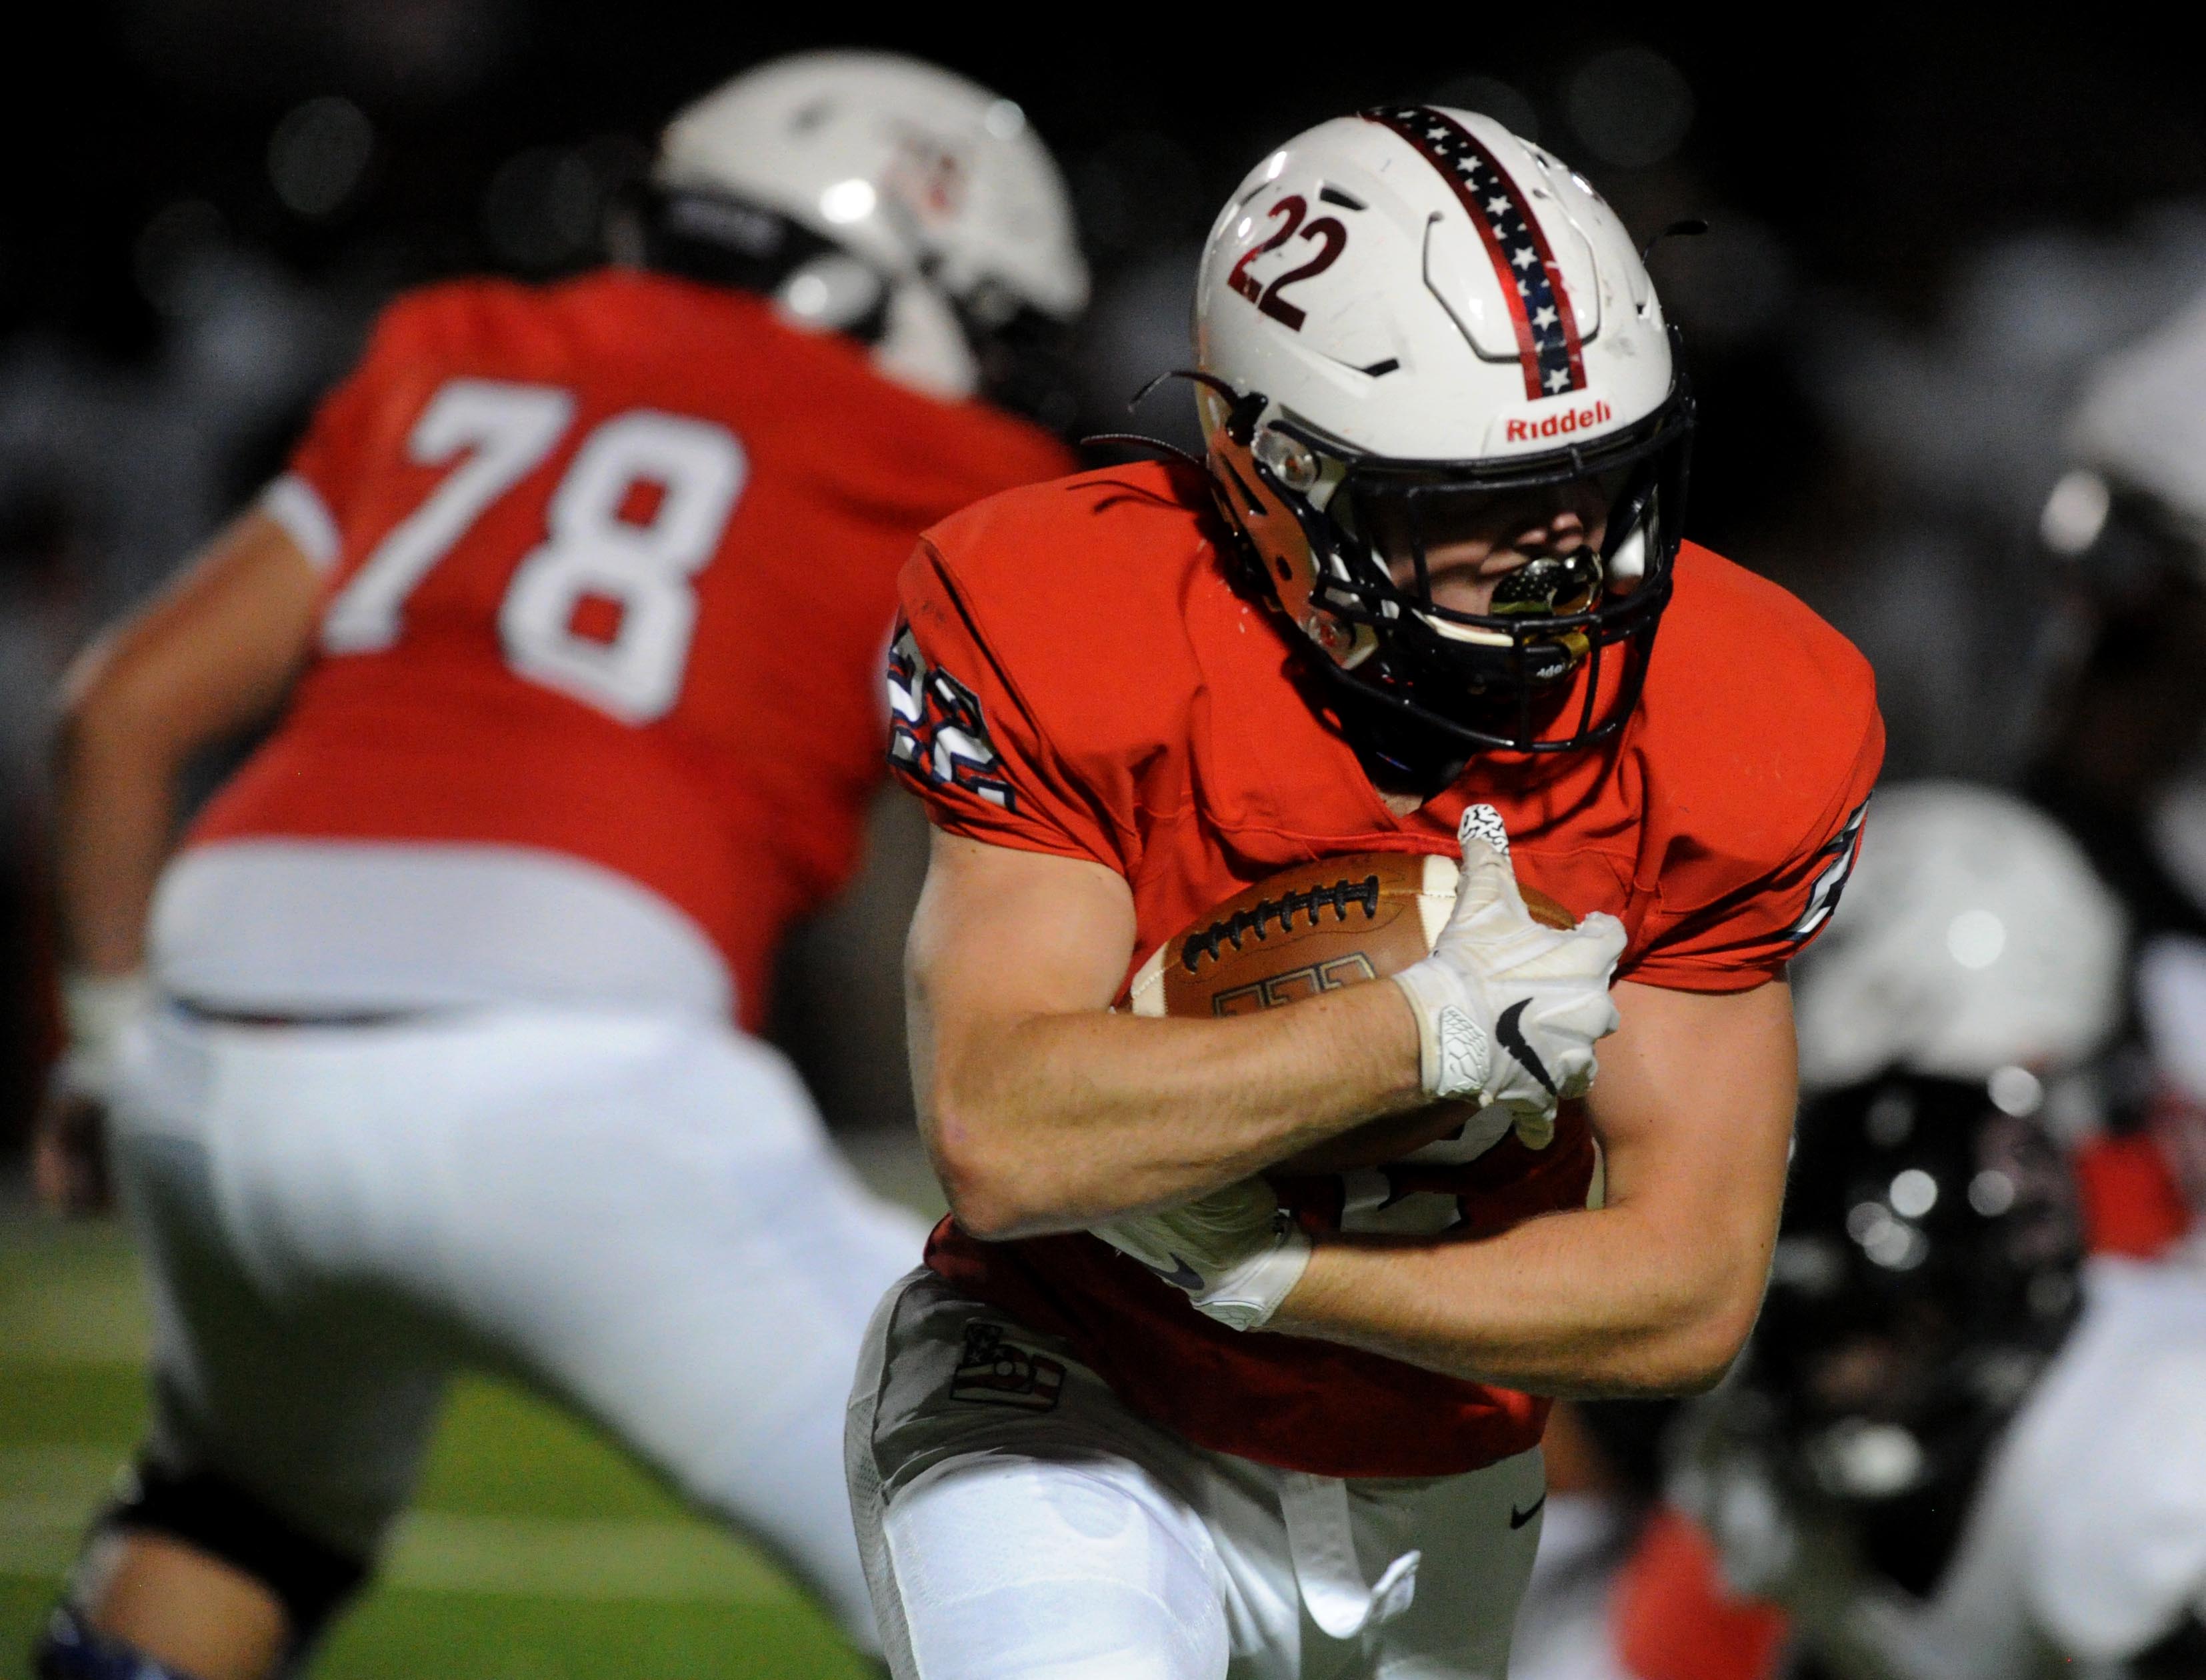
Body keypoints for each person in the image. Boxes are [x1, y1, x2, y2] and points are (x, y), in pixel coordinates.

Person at [30, 49, 1083, 1680]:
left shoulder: (453, 347)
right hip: (571, 1071)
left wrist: (108, 1059)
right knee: (1071, 1553)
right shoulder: (950, 469)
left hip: (213, 1060)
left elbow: (114, 716)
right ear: (896, 291)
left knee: (240, 1511)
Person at [848, 104, 1881, 1680]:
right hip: (1071, 1399)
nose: (1571, 563)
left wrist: (1280, 1278)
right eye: (1471, 508)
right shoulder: (1081, 616)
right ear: (1270, 488)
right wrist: (1411, 1035)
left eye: (1607, 487)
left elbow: (1683, 1291)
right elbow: (1000, 1128)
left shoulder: (1742, 710)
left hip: (1445, 1482)